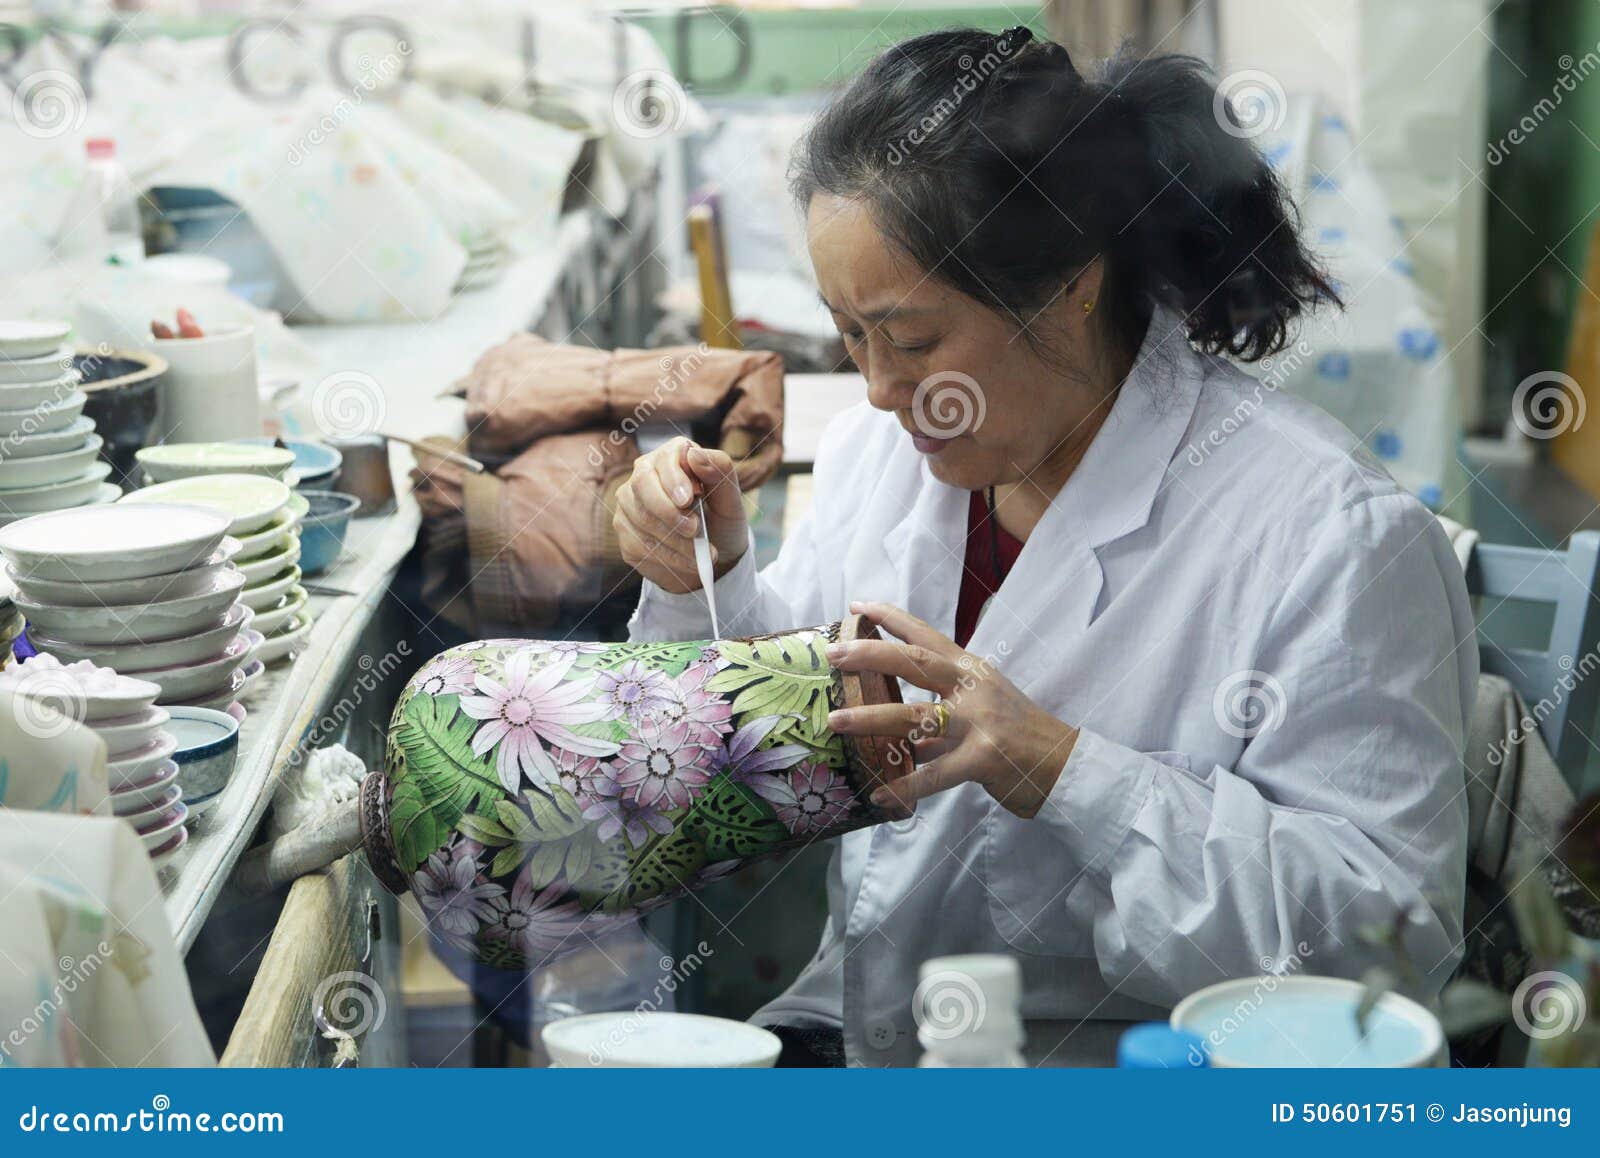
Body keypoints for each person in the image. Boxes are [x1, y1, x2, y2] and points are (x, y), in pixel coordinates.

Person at [617, 27, 1476, 1066]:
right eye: (849, 334)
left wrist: (1063, 771)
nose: (881, 389)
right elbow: (769, 745)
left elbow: (1389, 947)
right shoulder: (880, 455)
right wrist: (697, 581)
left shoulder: (1328, 537)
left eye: (914, 339)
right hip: (868, 1035)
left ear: (1071, 283)